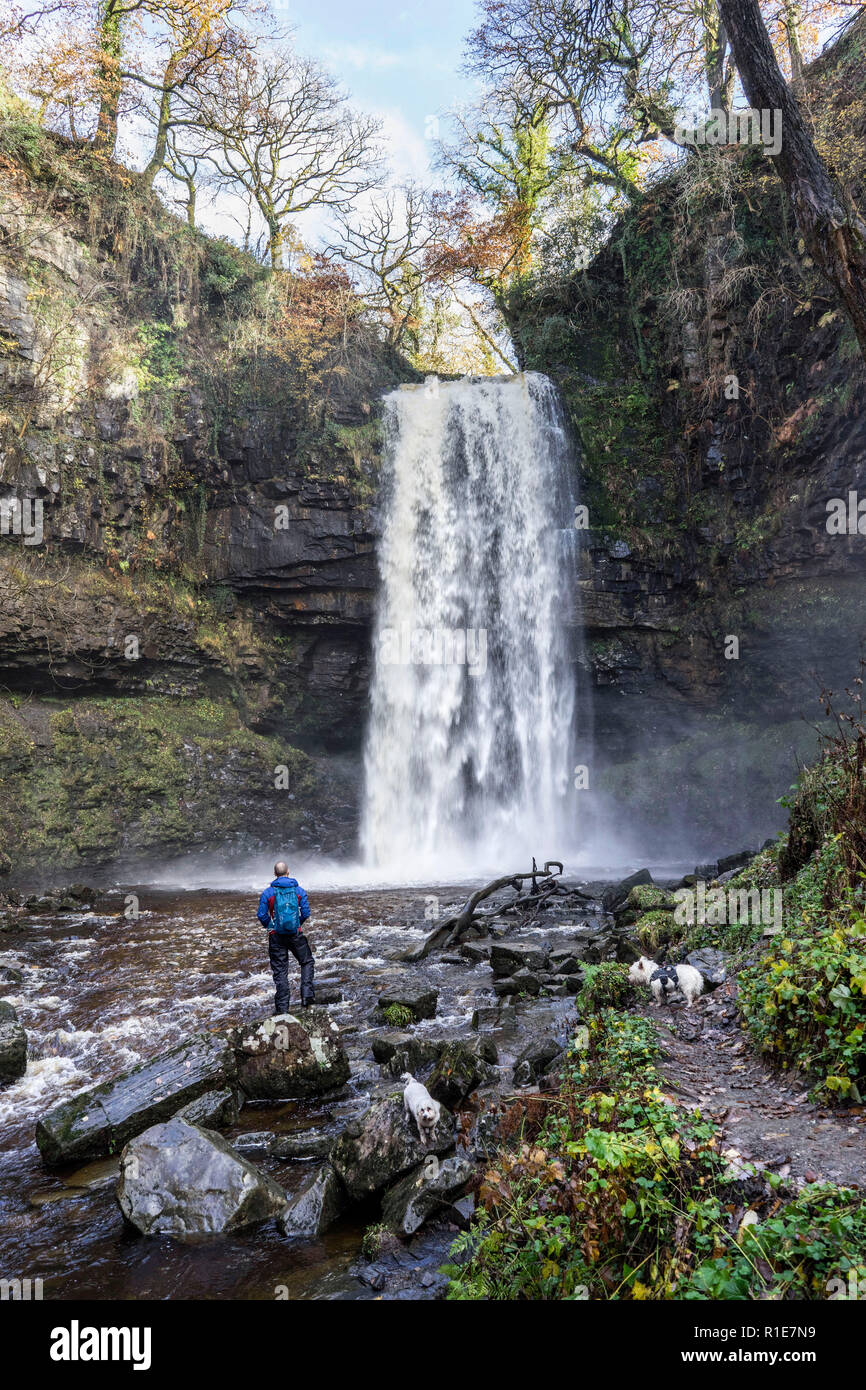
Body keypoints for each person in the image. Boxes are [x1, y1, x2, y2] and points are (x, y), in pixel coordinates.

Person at [256, 861, 314, 1012]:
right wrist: (297, 924)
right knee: (306, 962)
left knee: (281, 971)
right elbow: (306, 913)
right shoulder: (299, 891)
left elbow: (261, 915)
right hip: (295, 934)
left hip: (276, 937)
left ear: (275, 874)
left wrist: (271, 926)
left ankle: (282, 1009)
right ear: (288, 872)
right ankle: (307, 997)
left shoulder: (268, 893)